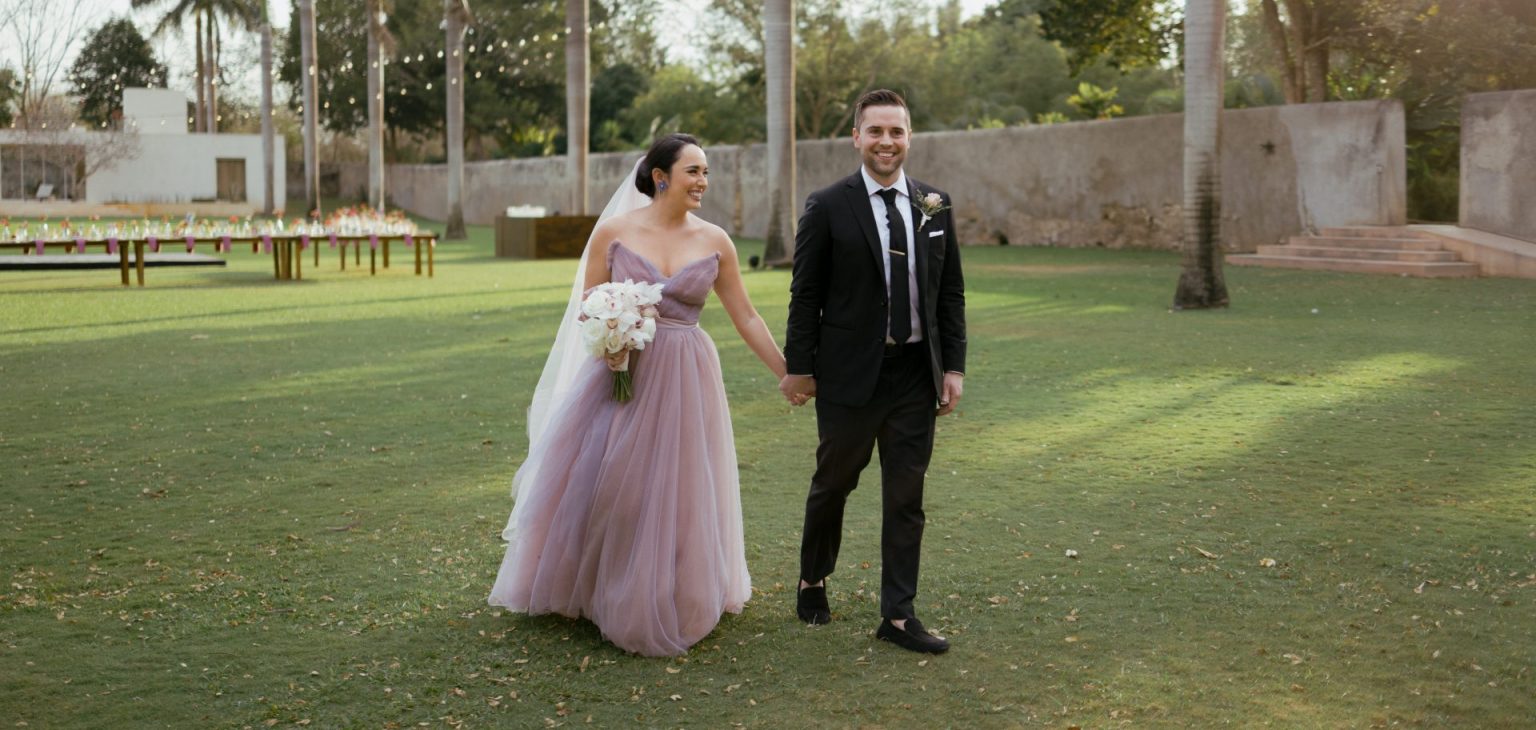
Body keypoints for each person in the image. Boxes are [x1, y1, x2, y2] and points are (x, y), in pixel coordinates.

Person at [489, 133, 789, 657]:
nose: (703, 182)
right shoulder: (613, 233)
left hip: (687, 373)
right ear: (660, 177)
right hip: (621, 370)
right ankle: (599, 587)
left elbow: (746, 314)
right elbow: (586, 308)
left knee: (679, 484)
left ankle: (671, 588)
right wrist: (612, 331)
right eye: (694, 171)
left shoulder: (716, 240)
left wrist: (787, 373)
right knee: (612, 481)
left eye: (706, 172)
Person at [780, 89, 967, 654]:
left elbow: (949, 292)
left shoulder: (935, 203)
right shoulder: (827, 205)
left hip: (915, 374)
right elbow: (805, 294)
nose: (887, 142)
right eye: (877, 131)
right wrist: (800, 369)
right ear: (856, 138)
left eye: (898, 132)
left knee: (906, 495)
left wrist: (952, 367)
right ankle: (813, 579)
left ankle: (899, 616)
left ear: (909, 138)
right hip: (848, 377)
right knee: (834, 483)